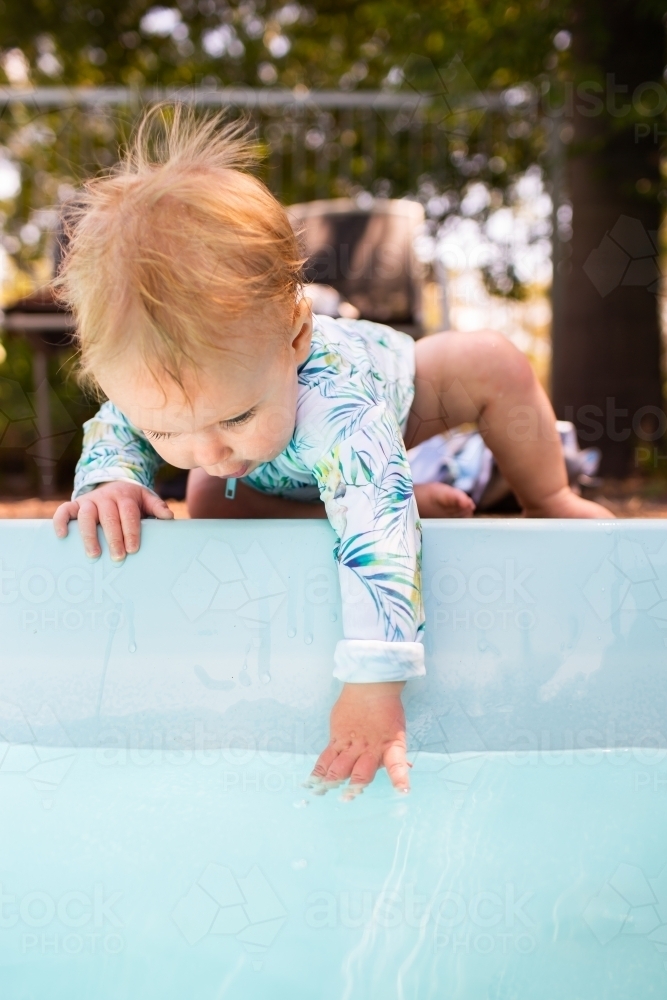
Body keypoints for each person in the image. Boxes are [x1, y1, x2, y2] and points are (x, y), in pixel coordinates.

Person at [52, 106, 612, 800]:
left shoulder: (334, 407)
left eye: (234, 416)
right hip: (298, 475)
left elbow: (373, 530)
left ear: (292, 336)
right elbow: (115, 428)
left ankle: (546, 494)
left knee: (487, 362)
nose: (209, 449)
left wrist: (372, 687)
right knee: (205, 497)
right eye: (169, 431)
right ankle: (410, 505)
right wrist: (111, 478)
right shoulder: (178, 402)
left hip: (401, 410)